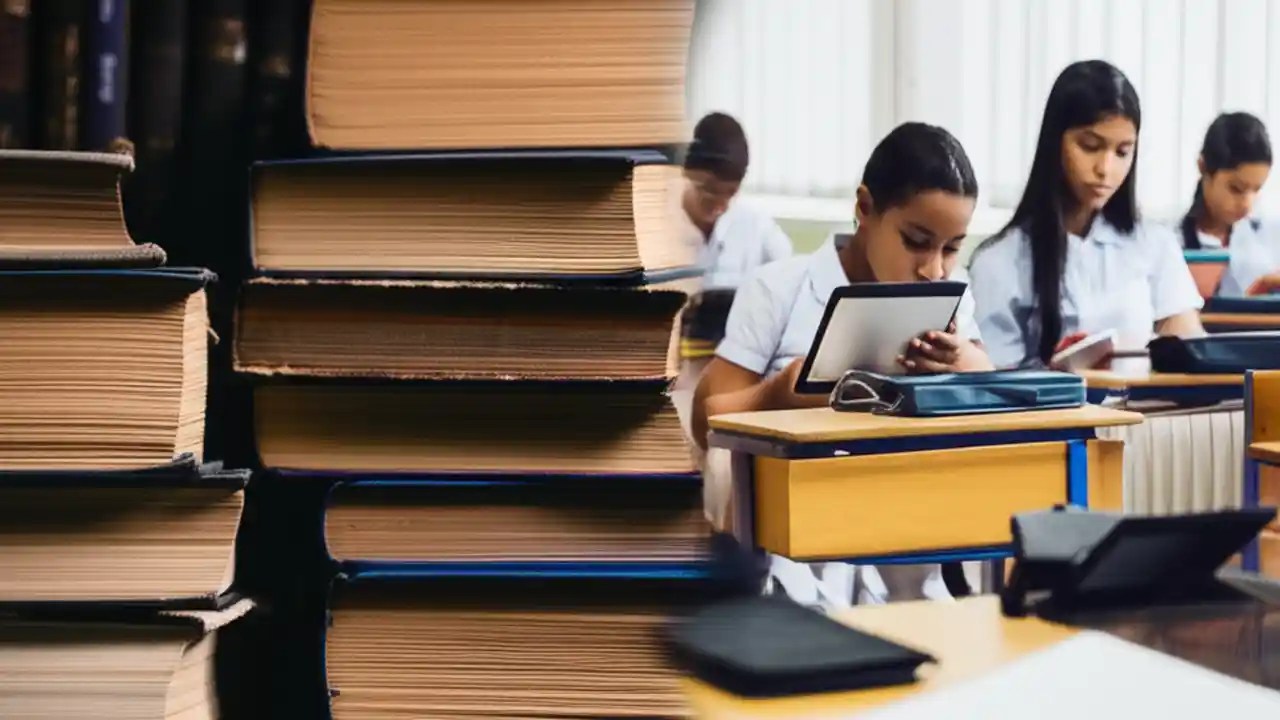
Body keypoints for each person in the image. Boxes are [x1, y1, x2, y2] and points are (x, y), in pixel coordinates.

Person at [692, 122, 994, 606]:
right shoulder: (778, 290)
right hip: (794, 555)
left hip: (908, 549)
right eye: (916, 240)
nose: (934, 269)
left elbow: (993, 393)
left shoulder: (951, 301)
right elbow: (707, 419)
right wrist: (780, 394)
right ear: (865, 208)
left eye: (953, 247)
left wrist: (966, 363)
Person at [968, 60, 1204, 369]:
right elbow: (994, 382)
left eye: (1123, 152)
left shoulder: (1154, 244)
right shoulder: (999, 261)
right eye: (1090, 146)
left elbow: (1190, 346)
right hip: (1055, 417)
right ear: (1056, 142)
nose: (1106, 169)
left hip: (1148, 415)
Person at [680, 112, 794, 290]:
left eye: (731, 193)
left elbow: (791, 277)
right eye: (710, 191)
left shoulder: (757, 228)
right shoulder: (658, 227)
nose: (720, 206)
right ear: (686, 171)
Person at [1179, 112, 1276, 297]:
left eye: (1256, 190)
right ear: (1203, 167)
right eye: (1236, 189)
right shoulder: (1167, 240)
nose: (1247, 204)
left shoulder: (1269, 237)